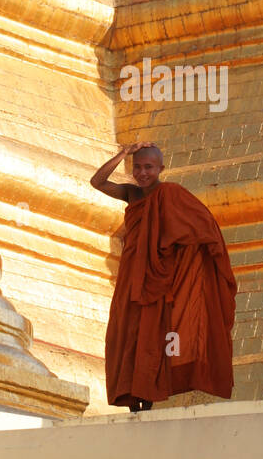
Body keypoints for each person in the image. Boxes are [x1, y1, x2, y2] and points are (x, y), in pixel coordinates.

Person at [91, 141, 237, 412]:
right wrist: (123, 154)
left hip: (157, 280)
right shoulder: (132, 195)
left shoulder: (171, 193)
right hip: (131, 276)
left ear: (161, 168)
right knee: (125, 332)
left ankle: (147, 395)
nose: (143, 173)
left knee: (153, 334)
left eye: (148, 167)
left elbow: (201, 226)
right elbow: (97, 181)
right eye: (138, 168)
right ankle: (130, 394)